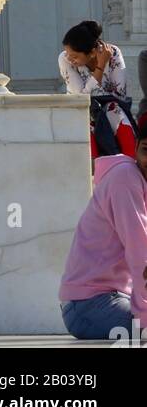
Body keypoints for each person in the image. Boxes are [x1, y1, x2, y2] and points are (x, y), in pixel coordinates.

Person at [59, 128, 147, 341]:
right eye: (146, 150)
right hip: (89, 306)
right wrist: (144, 319)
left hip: (112, 299)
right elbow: (140, 253)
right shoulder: (125, 178)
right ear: (135, 149)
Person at [59, 20, 135, 159]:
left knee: (114, 110)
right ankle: (96, 169)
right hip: (81, 112)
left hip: (113, 109)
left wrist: (93, 90)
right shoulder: (64, 59)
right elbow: (79, 99)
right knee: (90, 120)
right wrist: (100, 68)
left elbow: (120, 96)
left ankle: (129, 163)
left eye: (75, 56)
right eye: (67, 53)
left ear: (92, 52)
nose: (70, 59)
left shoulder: (113, 53)